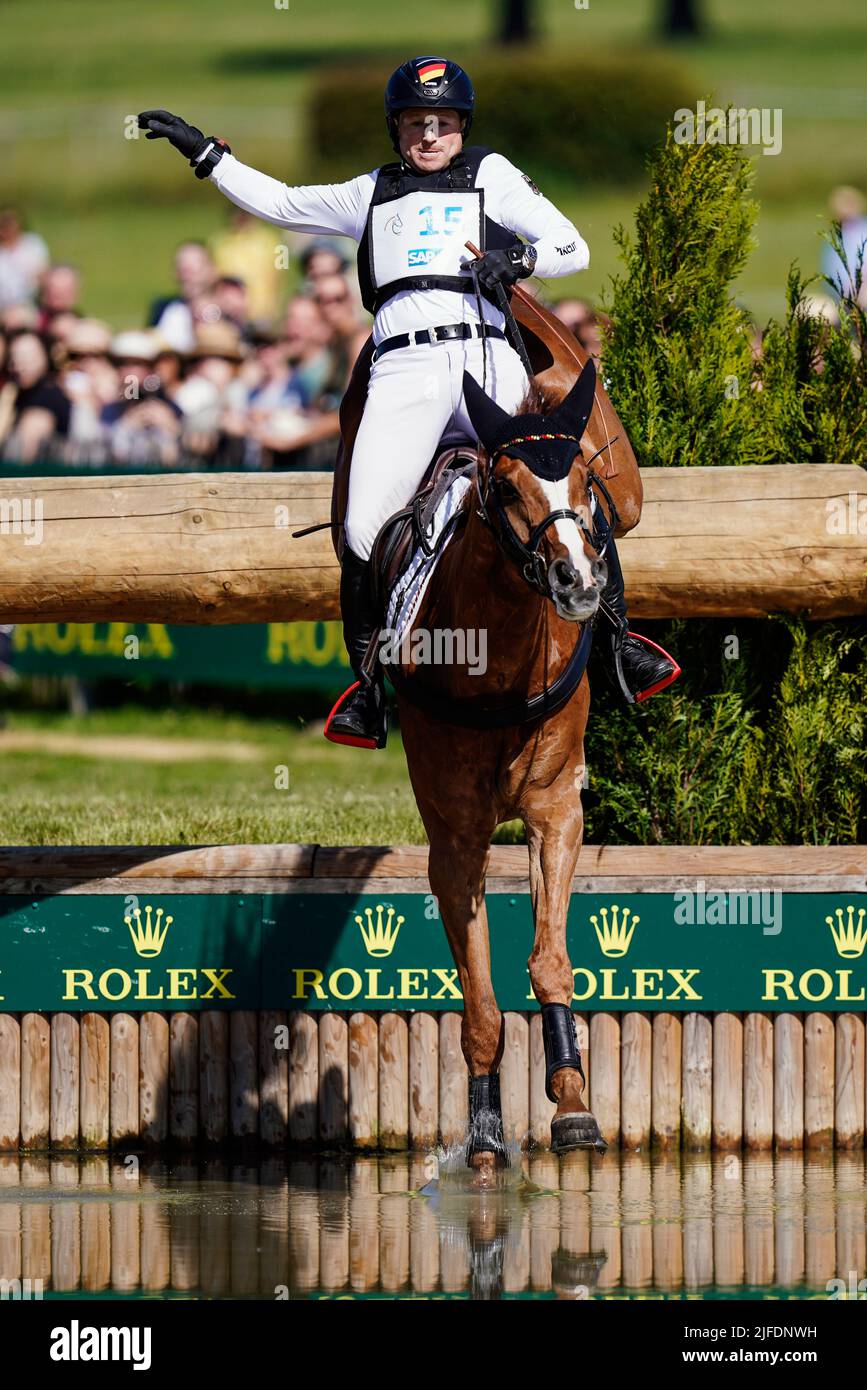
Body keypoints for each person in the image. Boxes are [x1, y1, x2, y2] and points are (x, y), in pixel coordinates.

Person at [138, 56, 677, 746]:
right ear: (396, 130)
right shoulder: (368, 192)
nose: (429, 135)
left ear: (461, 127)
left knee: (557, 485)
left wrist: (517, 261)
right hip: (403, 370)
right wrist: (206, 154)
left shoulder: (490, 173)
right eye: (416, 123)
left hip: (486, 357)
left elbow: (570, 245)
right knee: (363, 527)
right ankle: (367, 690)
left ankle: (617, 645)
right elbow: (278, 202)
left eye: (443, 123)